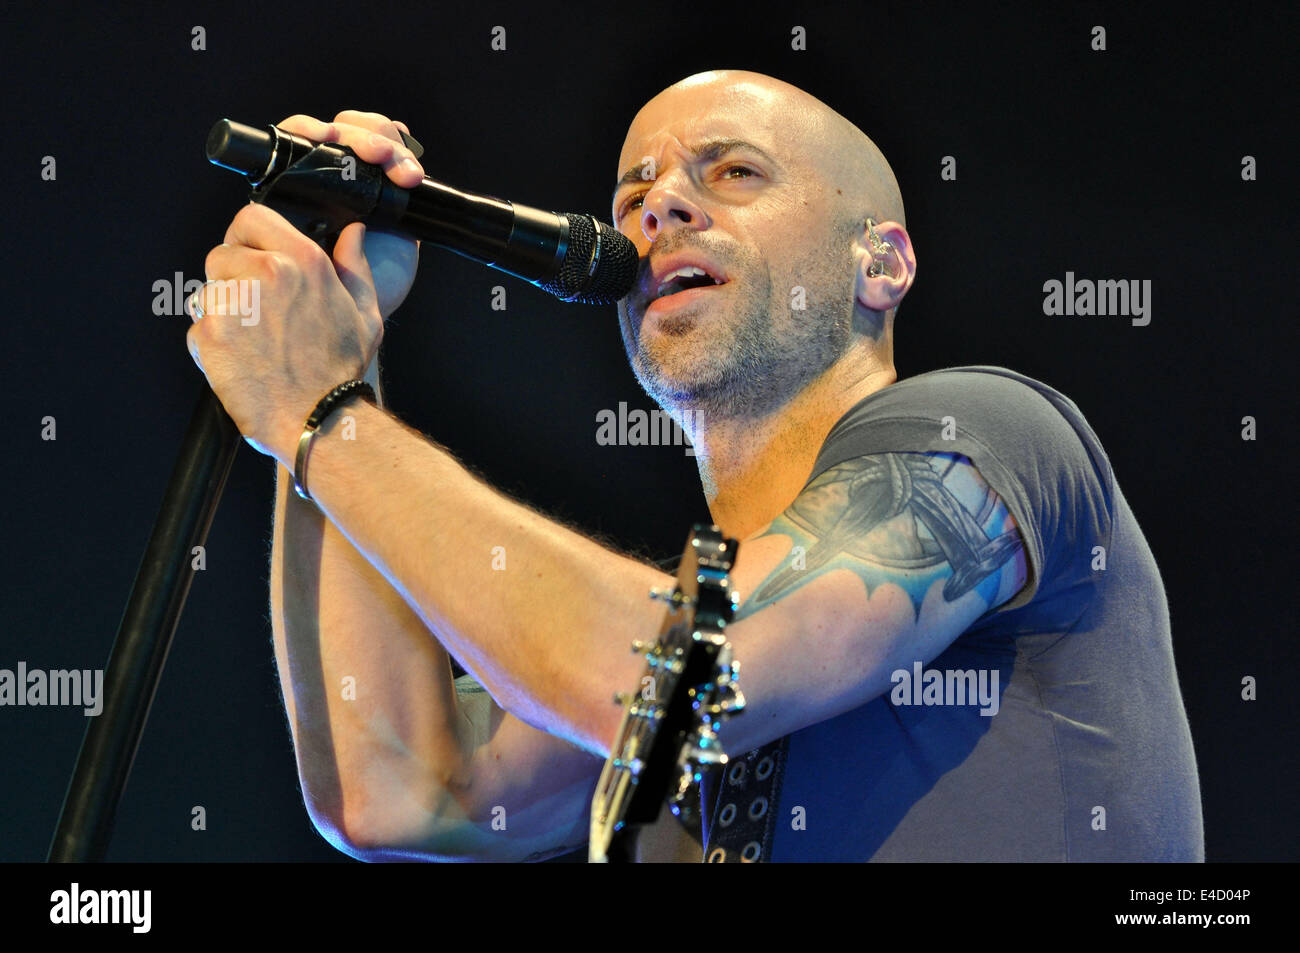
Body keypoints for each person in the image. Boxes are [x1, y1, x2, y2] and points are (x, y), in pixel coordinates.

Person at [185, 70, 1204, 862]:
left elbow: (667, 679)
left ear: (881, 263)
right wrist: (339, 360)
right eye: (635, 190)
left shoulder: (987, 429)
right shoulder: (684, 606)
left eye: (732, 172)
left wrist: (319, 416)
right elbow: (408, 790)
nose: (660, 205)